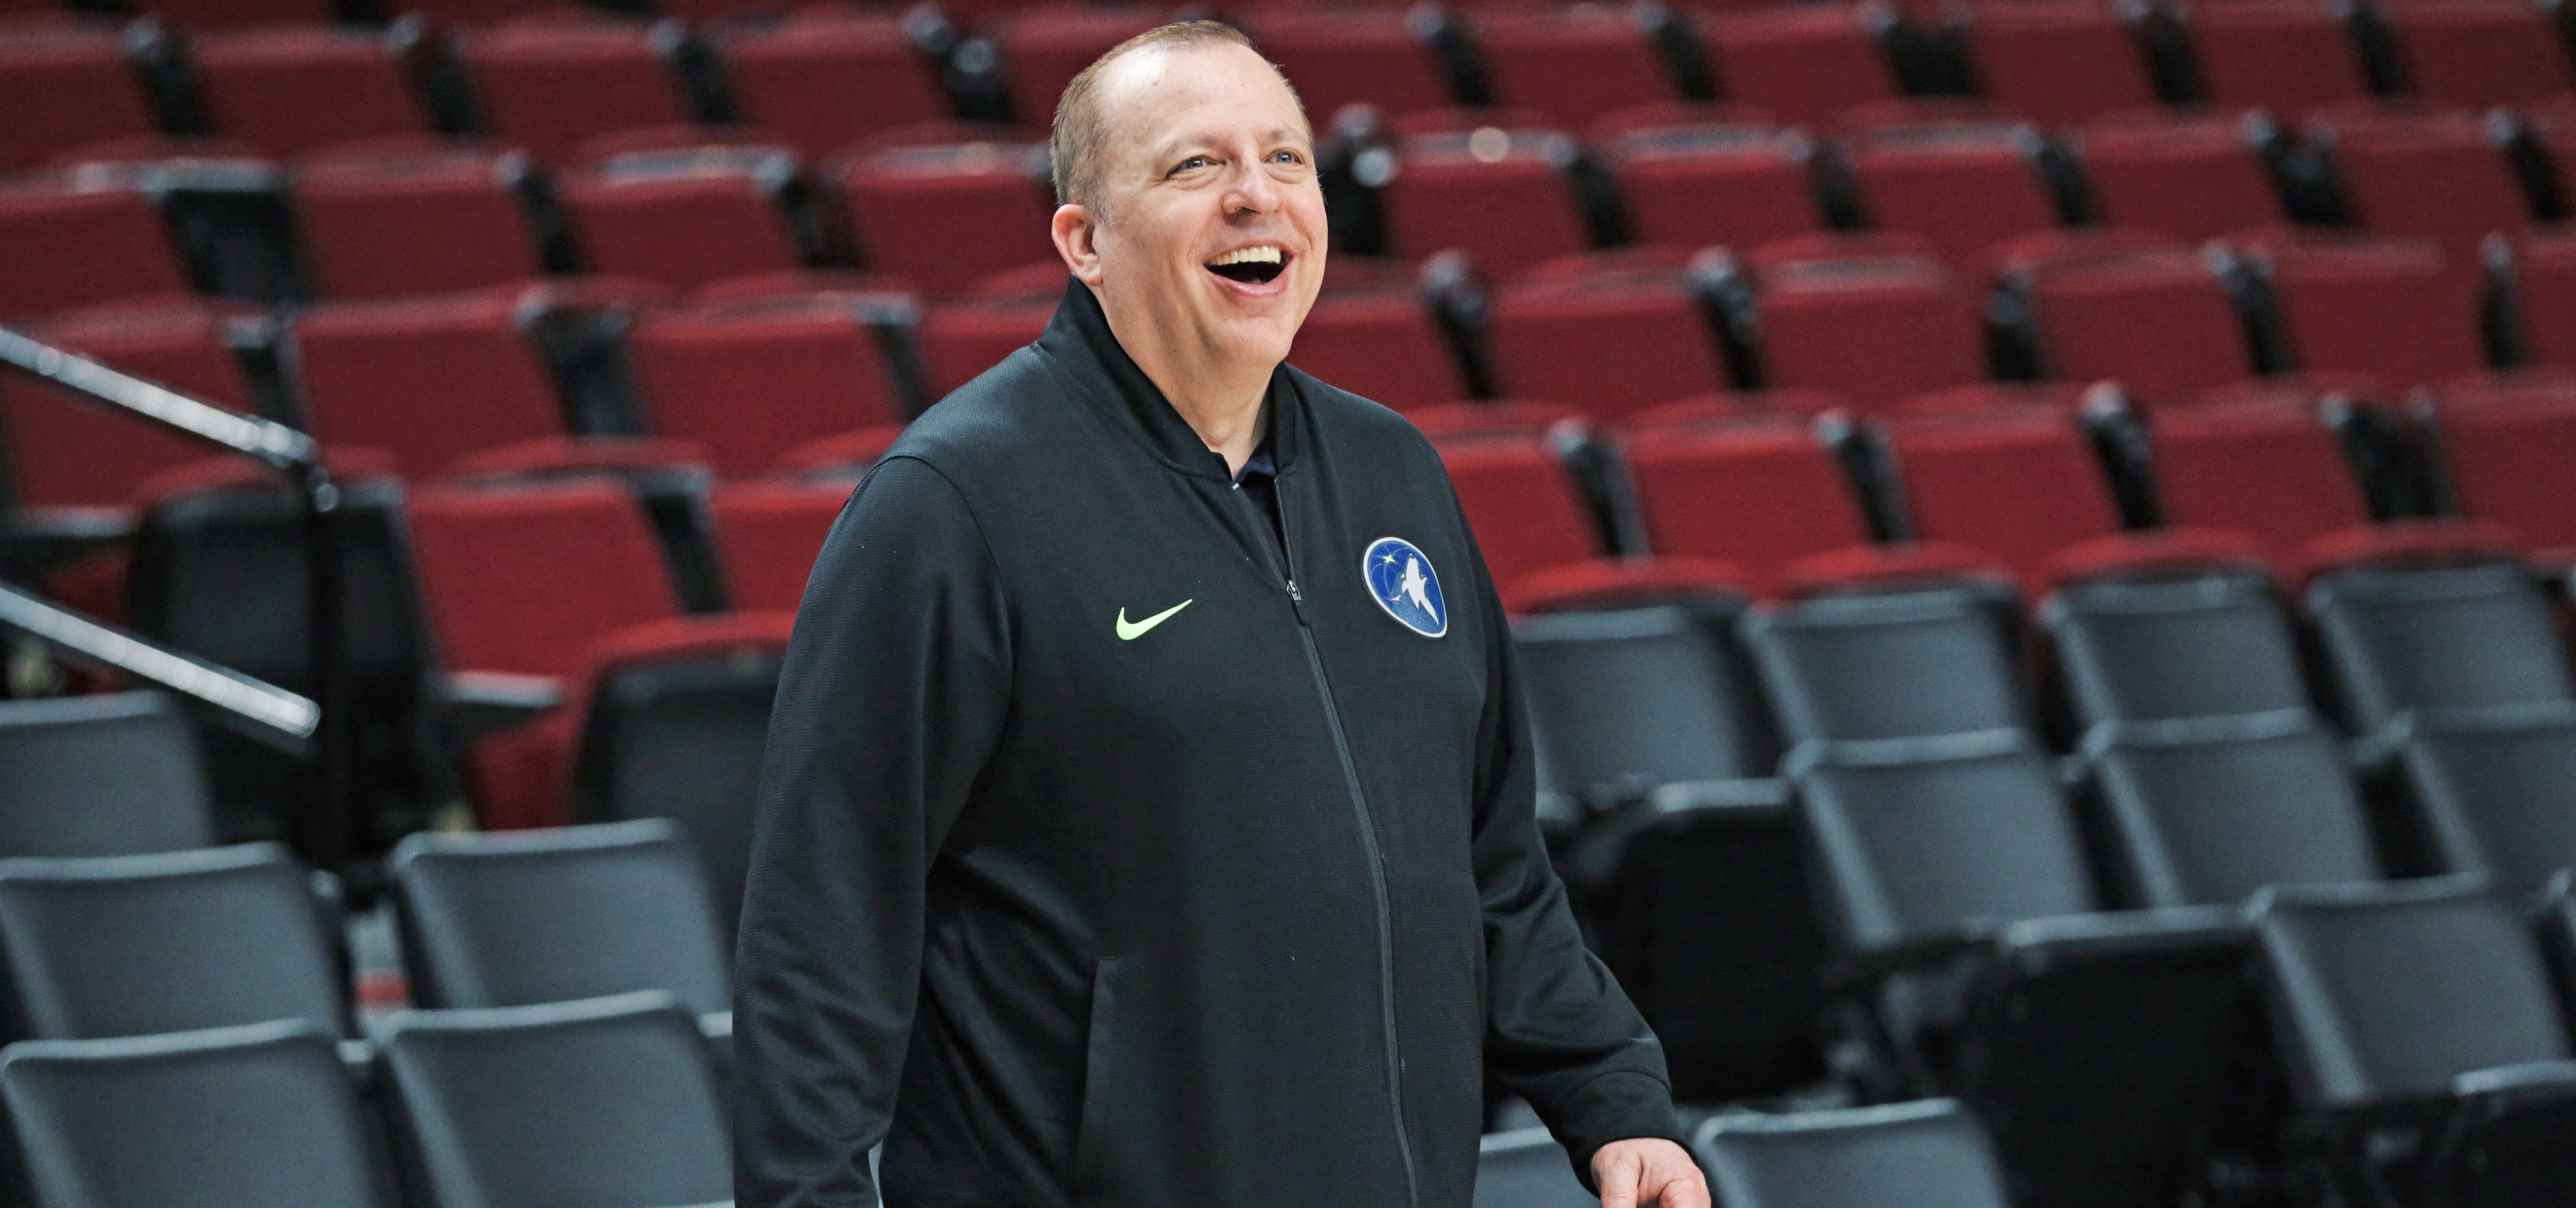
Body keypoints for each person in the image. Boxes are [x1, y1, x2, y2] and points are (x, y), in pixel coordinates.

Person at [733, 21, 1710, 1208]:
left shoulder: (1393, 471)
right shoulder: (954, 505)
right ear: (1083, 241)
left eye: (1285, 159)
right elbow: (823, 922)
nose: (1257, 196)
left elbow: (1490, 861)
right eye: (1196, 166)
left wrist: (1610, 1093)